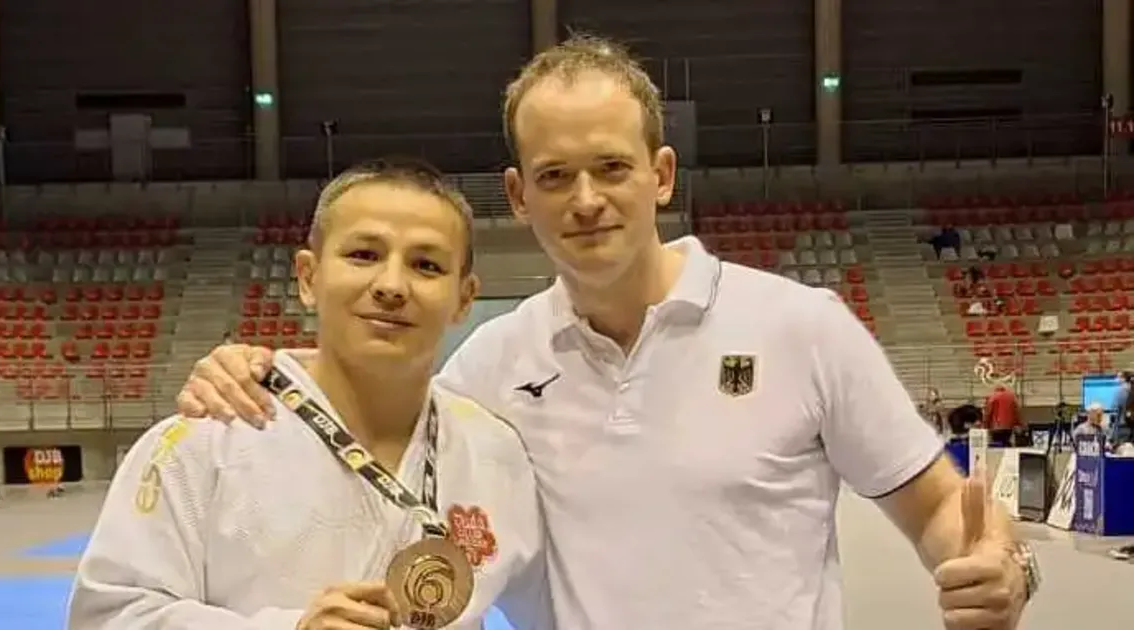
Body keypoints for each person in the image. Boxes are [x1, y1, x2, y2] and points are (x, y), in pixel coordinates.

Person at [174, 34, 1037, 630]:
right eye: (555, 176)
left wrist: (1006, 570)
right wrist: (256, 368)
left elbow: (940, 511)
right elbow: (370, 417)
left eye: (611, 168)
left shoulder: (802, 328)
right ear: (519, 196)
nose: (586, 200)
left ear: (660, 175)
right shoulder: (489, 367)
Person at [68, 159, 550, 630]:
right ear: (307, 277)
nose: (391, 285)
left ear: (464, 298)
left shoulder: (496, 452)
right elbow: (108, 615)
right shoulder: (206, 439)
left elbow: (562, 608)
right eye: (363, 255)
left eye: (426, 265)